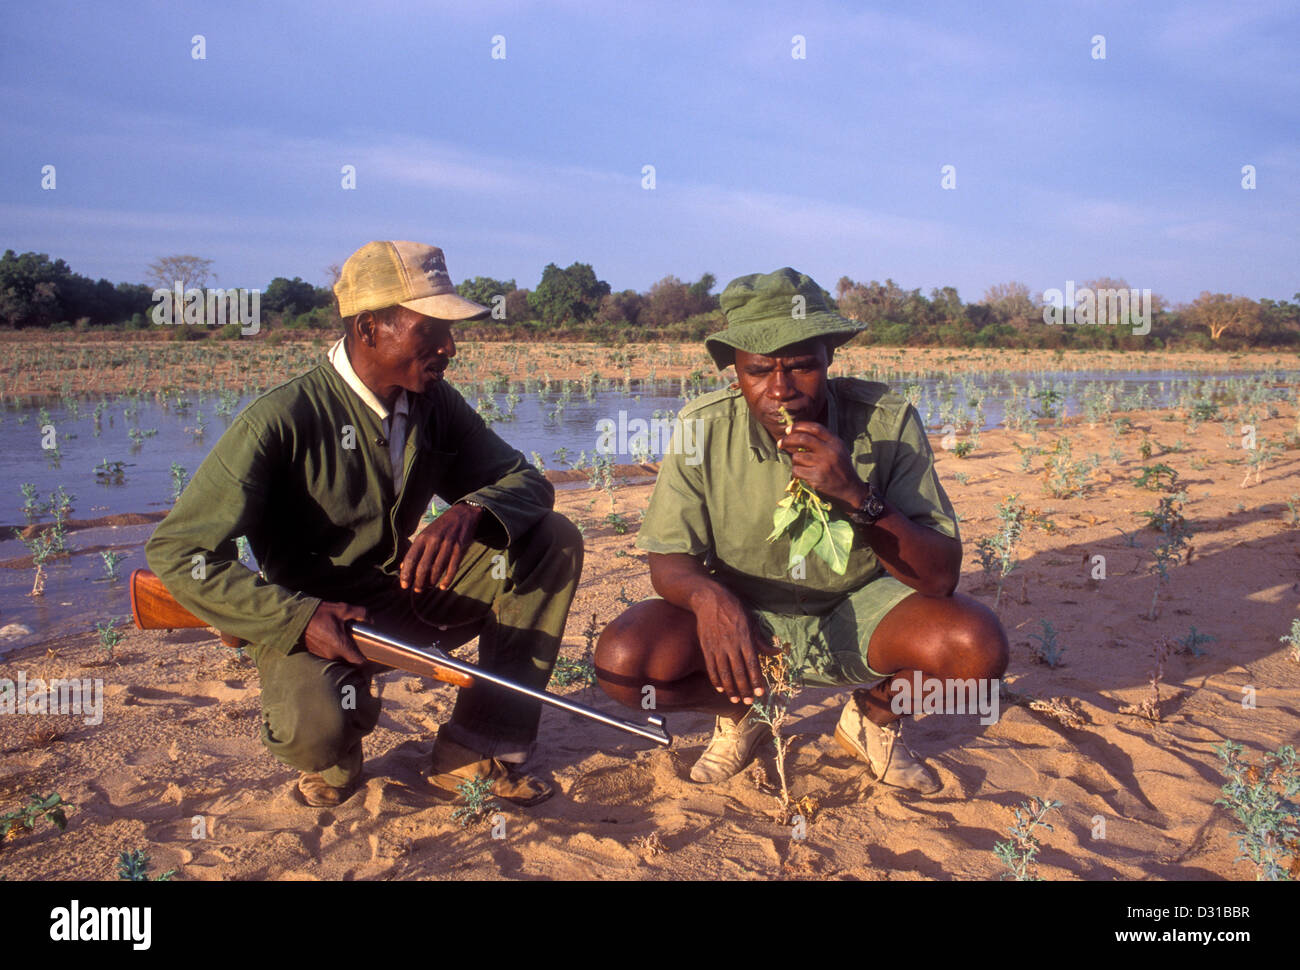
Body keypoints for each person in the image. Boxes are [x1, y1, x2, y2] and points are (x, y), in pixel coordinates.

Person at [145, 240, 582, 808]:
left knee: (551, 539)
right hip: (314, 620)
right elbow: (180, 550)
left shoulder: (435, 403)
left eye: (450, 331)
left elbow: (528, 482)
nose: (449, 347)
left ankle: (477, 745)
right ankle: (337, 739)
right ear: (370, 328)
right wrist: (290, 618)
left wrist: (468, 513)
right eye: (431, 329)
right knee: (315, 735)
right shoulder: (280, 420)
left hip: (408, 598)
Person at [595, 267, 1007, 793]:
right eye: (759, 371)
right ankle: (745, 711)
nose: (781, 390)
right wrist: (708, 600)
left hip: (858, 610)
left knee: (977, 651)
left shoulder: (885, 420)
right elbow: (669, 558)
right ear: (736, 371)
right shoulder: (702, 428)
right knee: (624, 662)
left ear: (829, 358)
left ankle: (873, 720)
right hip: (749, 616)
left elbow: (940, 578)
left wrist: (858, 495)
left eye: (802, 368)